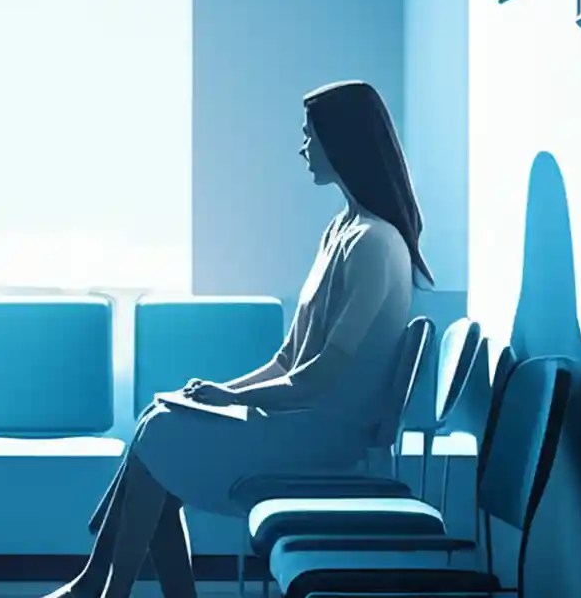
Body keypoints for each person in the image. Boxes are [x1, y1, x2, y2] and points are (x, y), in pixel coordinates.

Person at [43, 80, 435, 598]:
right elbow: (287, 359)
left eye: (309, 135)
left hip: (324, 436)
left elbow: (319, 380)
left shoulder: (374, 244)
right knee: (162, 421)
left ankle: (101, 586)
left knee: (160, 437)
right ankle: (104, 586)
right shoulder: (339, 230)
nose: (303, 149)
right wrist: (220, 392)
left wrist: (232, 399)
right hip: (297, 417)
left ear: (339, 141)